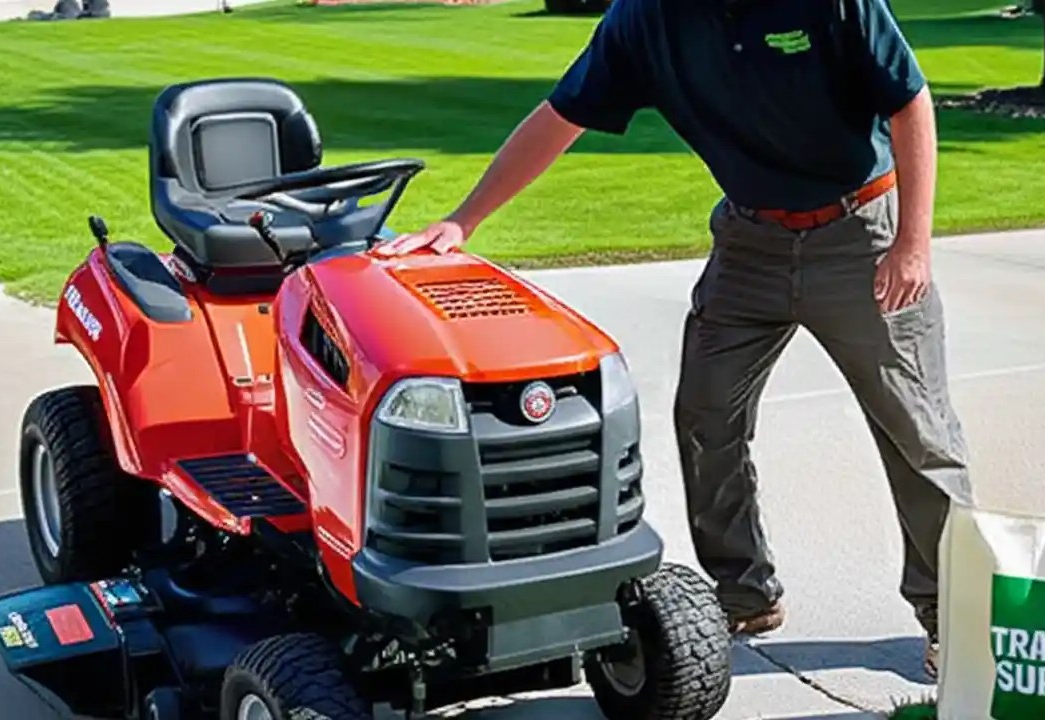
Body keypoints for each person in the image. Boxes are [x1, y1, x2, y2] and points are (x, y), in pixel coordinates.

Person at [389, 0, 973, 679]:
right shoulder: (644, 19)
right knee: (705, 412)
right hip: (750, 243)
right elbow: (560, 117)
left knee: (916, 432)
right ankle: (743, 593)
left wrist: (912, 243)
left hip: (861, 233)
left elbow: (910, 102)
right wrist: (463, 220)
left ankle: (956, 618)